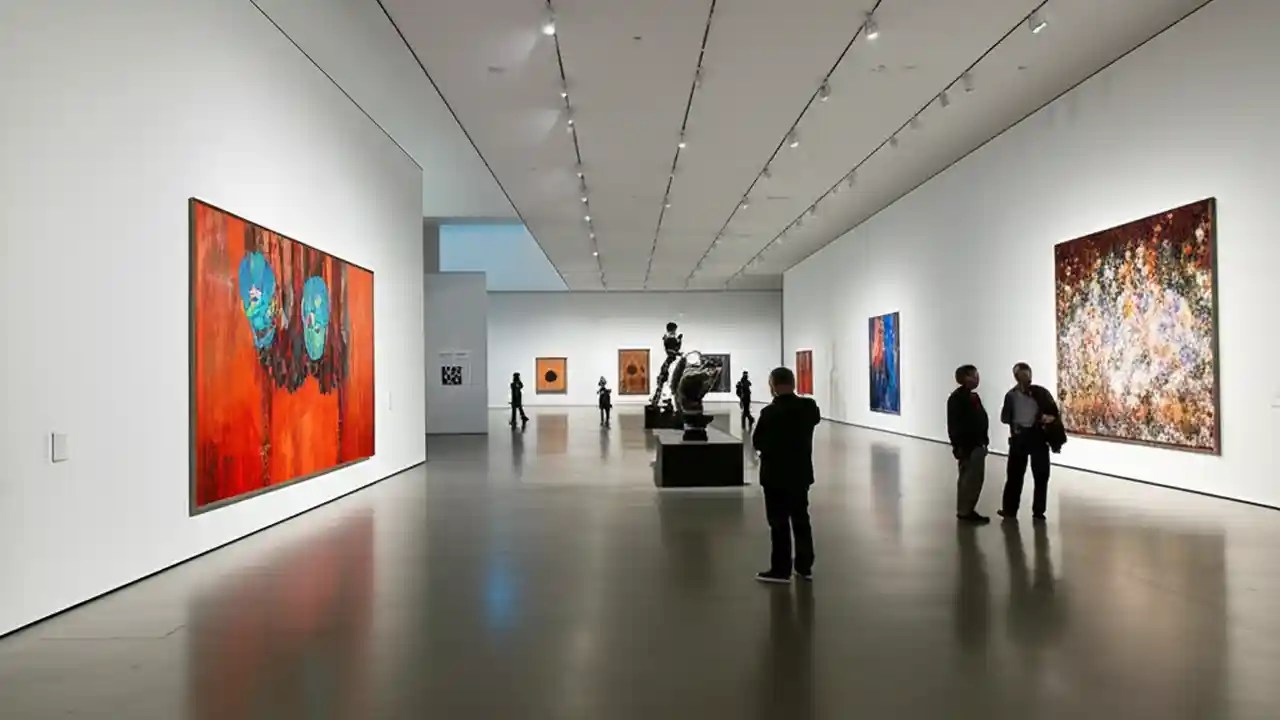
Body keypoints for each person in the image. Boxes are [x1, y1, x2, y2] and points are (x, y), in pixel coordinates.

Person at [752, 367, 822, 583]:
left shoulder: (770, 413)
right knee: (801, 520)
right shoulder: (809, 407)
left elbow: (758, 442)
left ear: (772, 385)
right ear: (793, 383)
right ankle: (804, 566)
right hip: (800, 474)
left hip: (775, 476)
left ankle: (781, 569)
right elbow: (814, 418)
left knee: (779, 523)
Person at [999, 363, 1065, 522]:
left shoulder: (1040, 393)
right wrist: (1015, 425)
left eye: (1027, 376)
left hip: (1038, 436)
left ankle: (1039, 511)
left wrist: (1048, 419)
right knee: (1014, 476)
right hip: (1019, 437)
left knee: (1041, 476)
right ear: (1016, 377)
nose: (1025, 380)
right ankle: (1009, 510)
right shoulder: (1011, 396)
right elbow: (1004, 417)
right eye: (1021, 376)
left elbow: (1053, 412)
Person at [948, 364, 990, 524]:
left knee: (975, 479)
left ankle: (967, 509)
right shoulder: (956, 399)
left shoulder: (974, 397)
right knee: (968, 479)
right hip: (968, 446)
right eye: (974, 375)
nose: (977, 378)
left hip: (978, 444)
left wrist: (984, 440)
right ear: (965, 378)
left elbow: (981, 419)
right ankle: (965, 511)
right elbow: (954, 425)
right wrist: (958, 446)